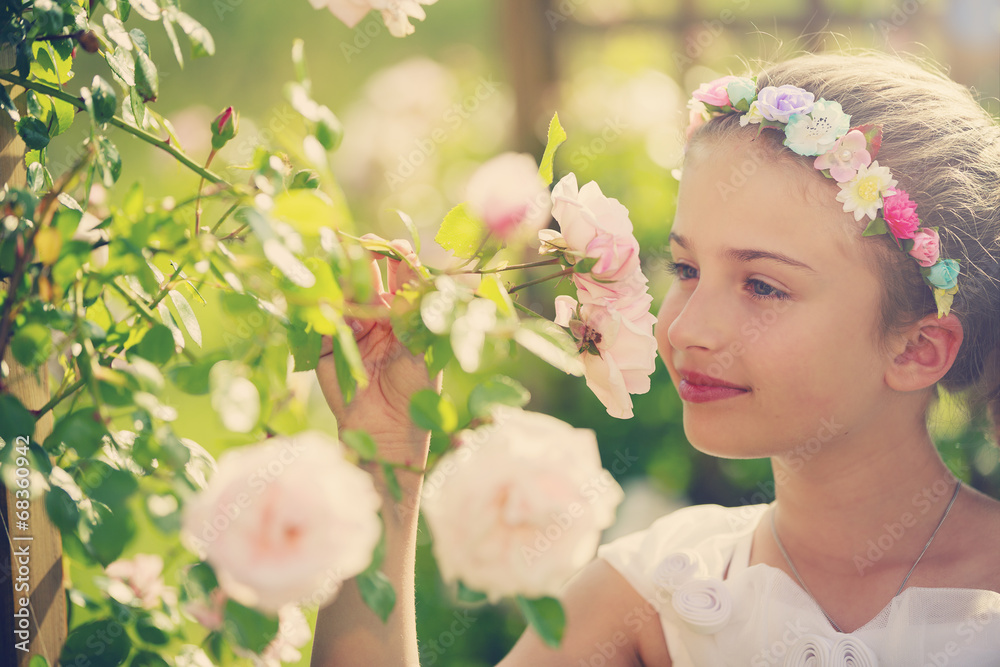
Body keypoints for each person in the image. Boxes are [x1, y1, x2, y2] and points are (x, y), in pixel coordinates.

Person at [310, 51, 1000, 666]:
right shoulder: (655, 594)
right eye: (687, 267)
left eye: (763, 285)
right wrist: (385, 453)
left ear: (918, 348)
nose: (687, 327)